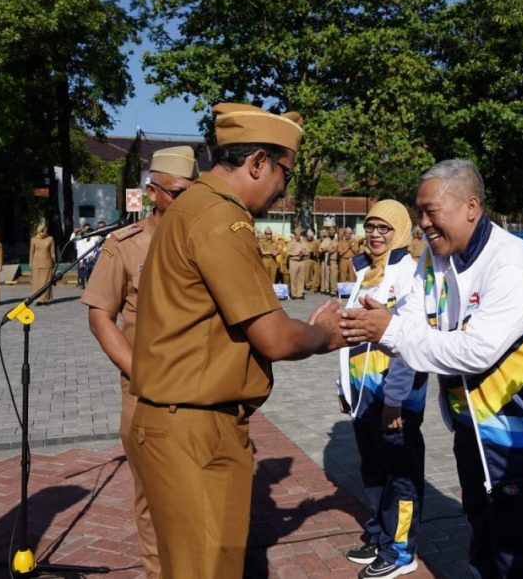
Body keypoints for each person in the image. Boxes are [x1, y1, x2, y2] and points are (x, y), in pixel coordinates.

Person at [128, 102, 345, 579]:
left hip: (179, 423)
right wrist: (325, 334)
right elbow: (273, 338)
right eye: (283, 174)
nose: (282, 191)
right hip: (195, 430)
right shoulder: (222, 218)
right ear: (258, 162)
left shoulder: (191, 206)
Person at [341, 159, 523, 579]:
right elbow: (413, 320)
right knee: (482, 541)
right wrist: (389, 330)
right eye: (420, 211)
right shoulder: (435, 258)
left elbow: (474, 351)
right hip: (474, 429)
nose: (423, 223)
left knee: (520, 556)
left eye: (432, 210)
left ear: (471, 206)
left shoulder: (510, 263)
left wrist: (391, 330)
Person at [81, 146, 198, 579]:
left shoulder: (208, 241)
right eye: (177, 193)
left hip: (201, 394)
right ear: (152, 192)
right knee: (154, 502)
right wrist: (140, 372)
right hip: (145, 394)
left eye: (194, 193)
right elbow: (99, 316)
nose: (188, 202)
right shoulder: (126, 246)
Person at [338, 201, 425, 579]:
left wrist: (395, 401)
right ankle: (379, 536)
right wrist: (344, 386)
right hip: (363, 393)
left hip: (395, 395)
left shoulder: (411, 272)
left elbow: (411, 339)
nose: (374, 234)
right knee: (373, 470)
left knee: (400, 475)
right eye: (370, 226)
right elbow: (351, 333)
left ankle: (402, 552)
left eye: (384, 228)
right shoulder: (363, 270)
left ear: (401, 231)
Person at [28, 224, 56, 304]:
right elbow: (31, 252)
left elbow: (52, 251)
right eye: (41, 231)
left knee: (46, 282)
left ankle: (45, 299)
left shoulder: (50, 239)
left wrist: (54, 259)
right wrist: (30, 262)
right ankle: (38, 300)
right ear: (38, 231)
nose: (43, 233)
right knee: (37, 283)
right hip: (36, 263)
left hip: (47, 263)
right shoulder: (33, 239)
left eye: (44, 231)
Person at [286, 227, 308, 299]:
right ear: (294, 235)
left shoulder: (303, 242)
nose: (298, 236)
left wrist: (303, 252)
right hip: (293, 261)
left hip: (301, 261)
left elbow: (308, 251)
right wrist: (296, 254)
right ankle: (293, 293)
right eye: (297, 235)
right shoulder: (290, 243)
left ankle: (300, 293)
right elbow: (287, 252)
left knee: (301, 278)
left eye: (299, 235)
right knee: (293, 278)